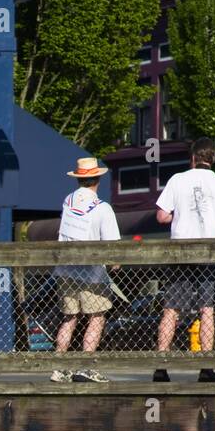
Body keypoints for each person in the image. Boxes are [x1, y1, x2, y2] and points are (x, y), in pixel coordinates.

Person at [153, 137, 215, 383]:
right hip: (208, 253)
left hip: (181, 252)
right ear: (213, 158)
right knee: (207, 310)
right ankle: (206, 366)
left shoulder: (177, 180)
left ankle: (161, 365)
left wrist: (180, 216)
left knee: (171, 309)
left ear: (193, 157)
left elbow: (161, 216)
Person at [51, 158, 119, 384]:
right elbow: (113, 246)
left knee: (69, 317)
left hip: (65, 269)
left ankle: (59, 368)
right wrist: (115, 264)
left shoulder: (67, 202)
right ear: (97, 179)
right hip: (92, 272)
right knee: (96, 317)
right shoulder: (102, 208)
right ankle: (86, 366)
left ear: (79, 178)